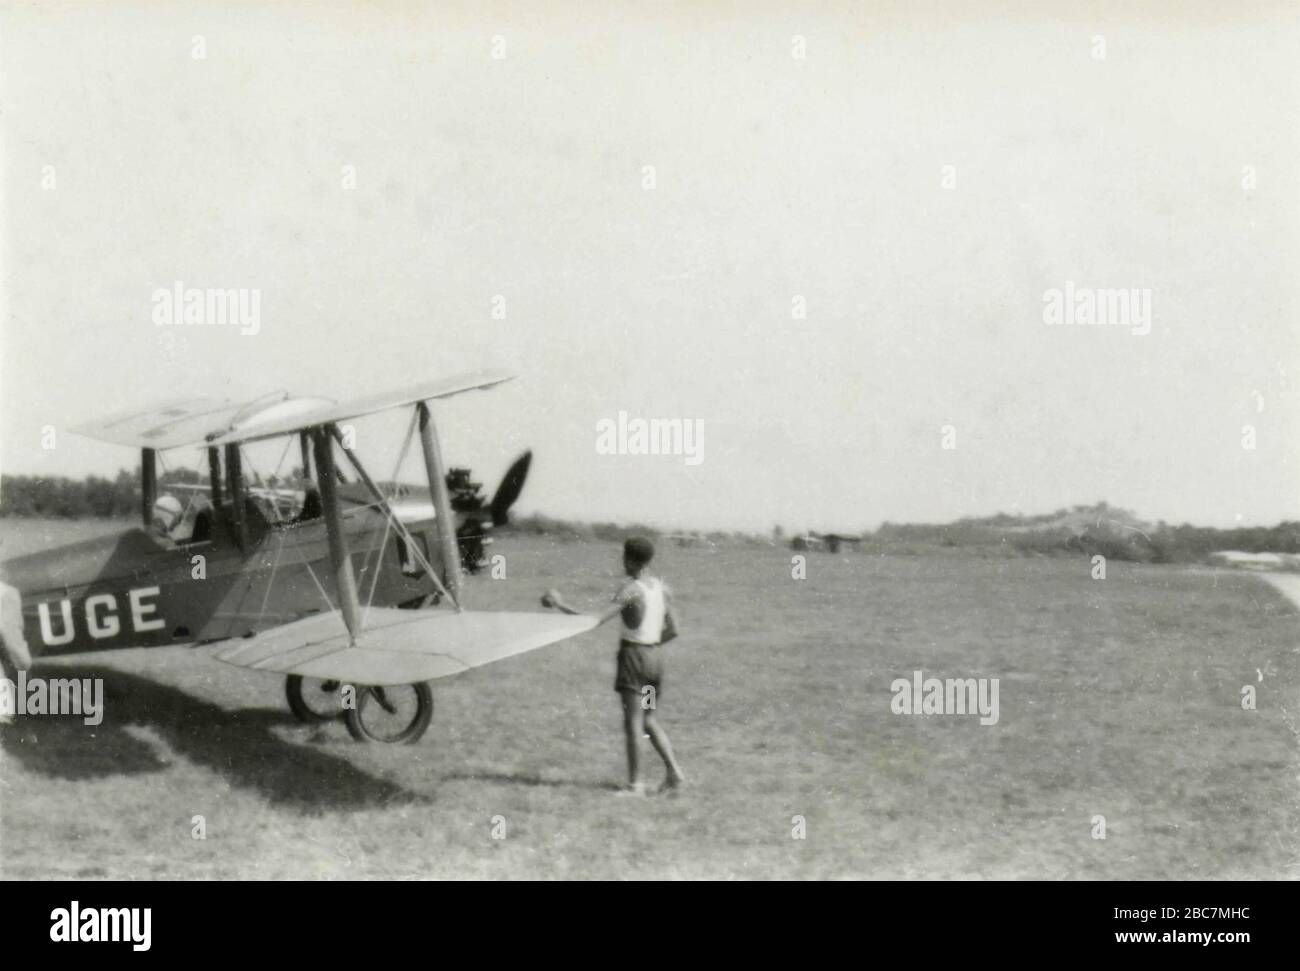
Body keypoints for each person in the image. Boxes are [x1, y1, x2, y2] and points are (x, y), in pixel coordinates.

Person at [543, 536, 687, 796]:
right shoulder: (662, 588)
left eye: (624, 557)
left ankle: (635, 786)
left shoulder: (630, 589)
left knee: (633, 723)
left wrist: (559, 605)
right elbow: (675, 629)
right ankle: (674, 773)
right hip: (655, 660)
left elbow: (595, 620)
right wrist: (651, 643)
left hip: (634, 660)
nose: (622, 562)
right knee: (648, 720)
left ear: (631, 560)